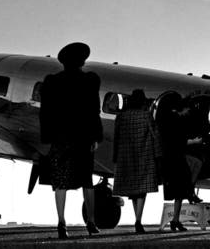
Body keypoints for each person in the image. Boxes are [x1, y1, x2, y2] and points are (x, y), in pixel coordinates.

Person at [40, 42, 103, 239]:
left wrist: (47, 138)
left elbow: (46, 112)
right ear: (82, 61)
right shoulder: (90, 80)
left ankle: (61, 223)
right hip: (84, 137)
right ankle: (91, 222)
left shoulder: (52, 81)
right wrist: (96, 136)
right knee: (87, 181)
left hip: (60, 137)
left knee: (60, 181)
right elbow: (94, 111)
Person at [112, 89, 161, 234]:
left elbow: (116, 138)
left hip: (126, 155)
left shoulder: (121, 117)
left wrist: (115, 157)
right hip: (143, 154)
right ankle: (138, 220)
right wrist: (158, 154)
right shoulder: (146, 115)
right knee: (142, 189)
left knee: (133, 190)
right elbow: (154, 135)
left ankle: (137, 218)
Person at [156, 91, 199, 231]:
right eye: (187, 110)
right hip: (176, 158)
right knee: (181, 188)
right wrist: (194, 141)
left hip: (168, 157)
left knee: (178, 191)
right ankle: (177, 217)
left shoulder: (164, 118)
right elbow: (179, 141)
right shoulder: (175, 119)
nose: (188, 113)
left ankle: (176, 219)